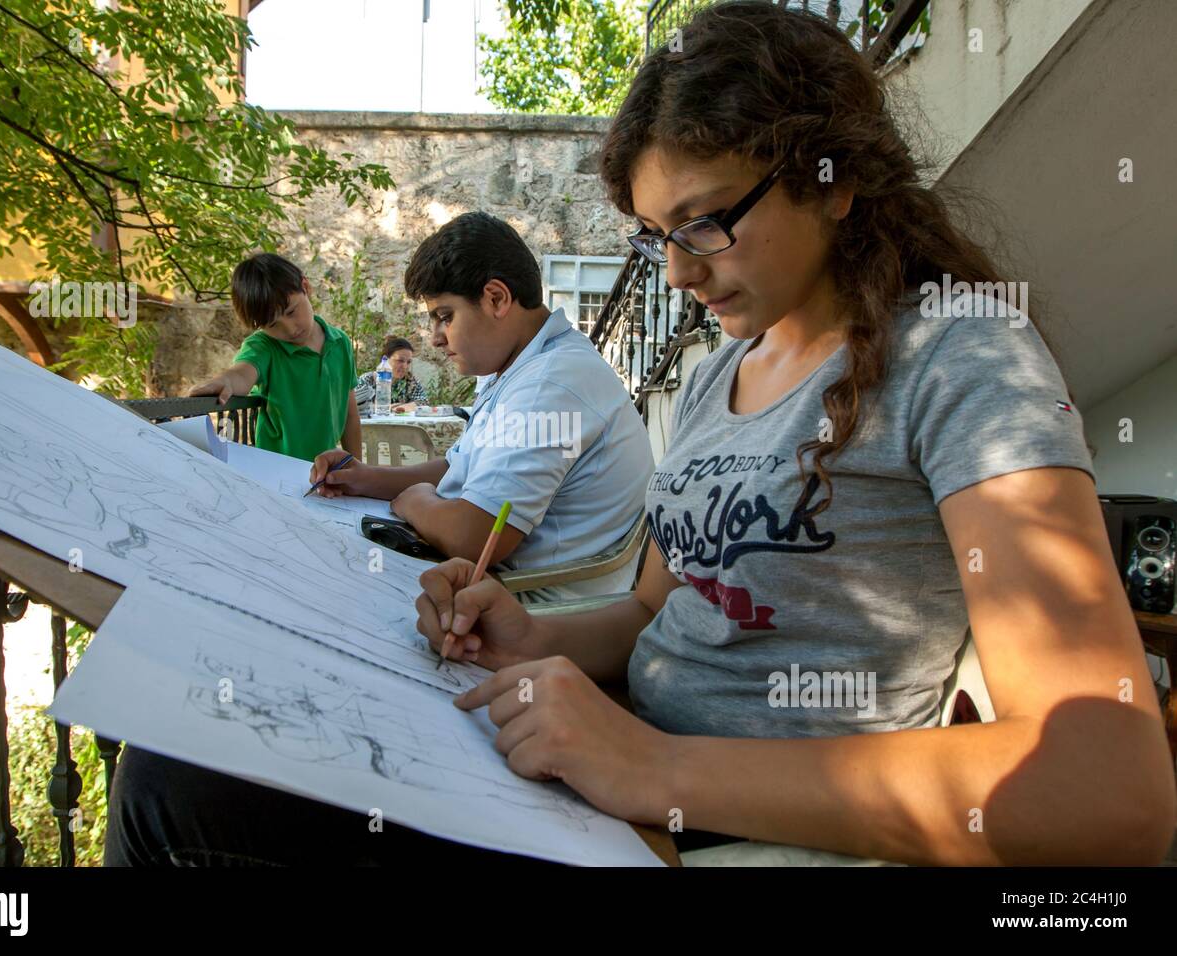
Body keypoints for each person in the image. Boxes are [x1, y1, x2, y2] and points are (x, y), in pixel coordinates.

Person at [106, 2, 1173, 867]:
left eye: (705, 221)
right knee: (172, 761)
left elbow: (1107, 789)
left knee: (180, 800)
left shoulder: (957, 356)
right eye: (655, 236)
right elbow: (657, 616)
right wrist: (528, 637)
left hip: (720, 815)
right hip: (609, 768)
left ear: (834, 181)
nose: (675, 271)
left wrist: (653, 770)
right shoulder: (718, 376)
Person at [312, 212, 654, 603]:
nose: (436, 339)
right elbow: (460, 467)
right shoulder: (518, 366)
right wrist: (364, 477)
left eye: (445, 317)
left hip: (529, 608)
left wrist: (414, 501)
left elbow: (471, 536)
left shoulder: (550, 384)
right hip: (493, 583)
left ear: (496, 298)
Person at [188, 253, 362, 464]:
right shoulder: (264, 346)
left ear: (305, 287)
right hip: (275, 468)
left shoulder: (340, 343)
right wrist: (225, 380)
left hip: (323, 468)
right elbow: (242, 373)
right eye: (272, 325)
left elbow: (350, 416)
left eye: (290, 311)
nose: (289, 329)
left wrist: (357, 467)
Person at [354, 336, 430, 415]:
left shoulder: (410, 382)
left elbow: (423, 402)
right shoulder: (367, 380)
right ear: (386, 359)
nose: (405, 366)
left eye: (409, 362)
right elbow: (354, 405)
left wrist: (400, 408)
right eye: (400, 360)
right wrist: (387, 408)